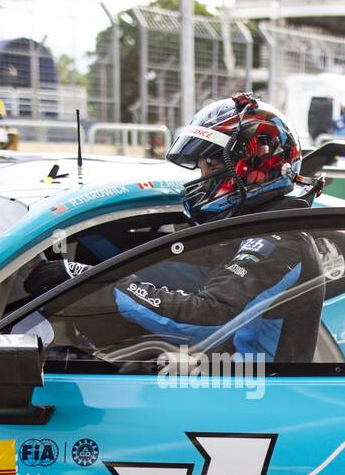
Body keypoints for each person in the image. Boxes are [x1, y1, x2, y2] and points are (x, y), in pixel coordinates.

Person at [23, 93, 323, 360]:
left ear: (254, 167)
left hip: (251, 399)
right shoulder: (248, 228)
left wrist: (98, 285)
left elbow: (209, 318)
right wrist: (99, 270)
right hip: (216, 378)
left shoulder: (280, 242)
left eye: (212, 165)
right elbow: (169, 263)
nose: (203, 176)